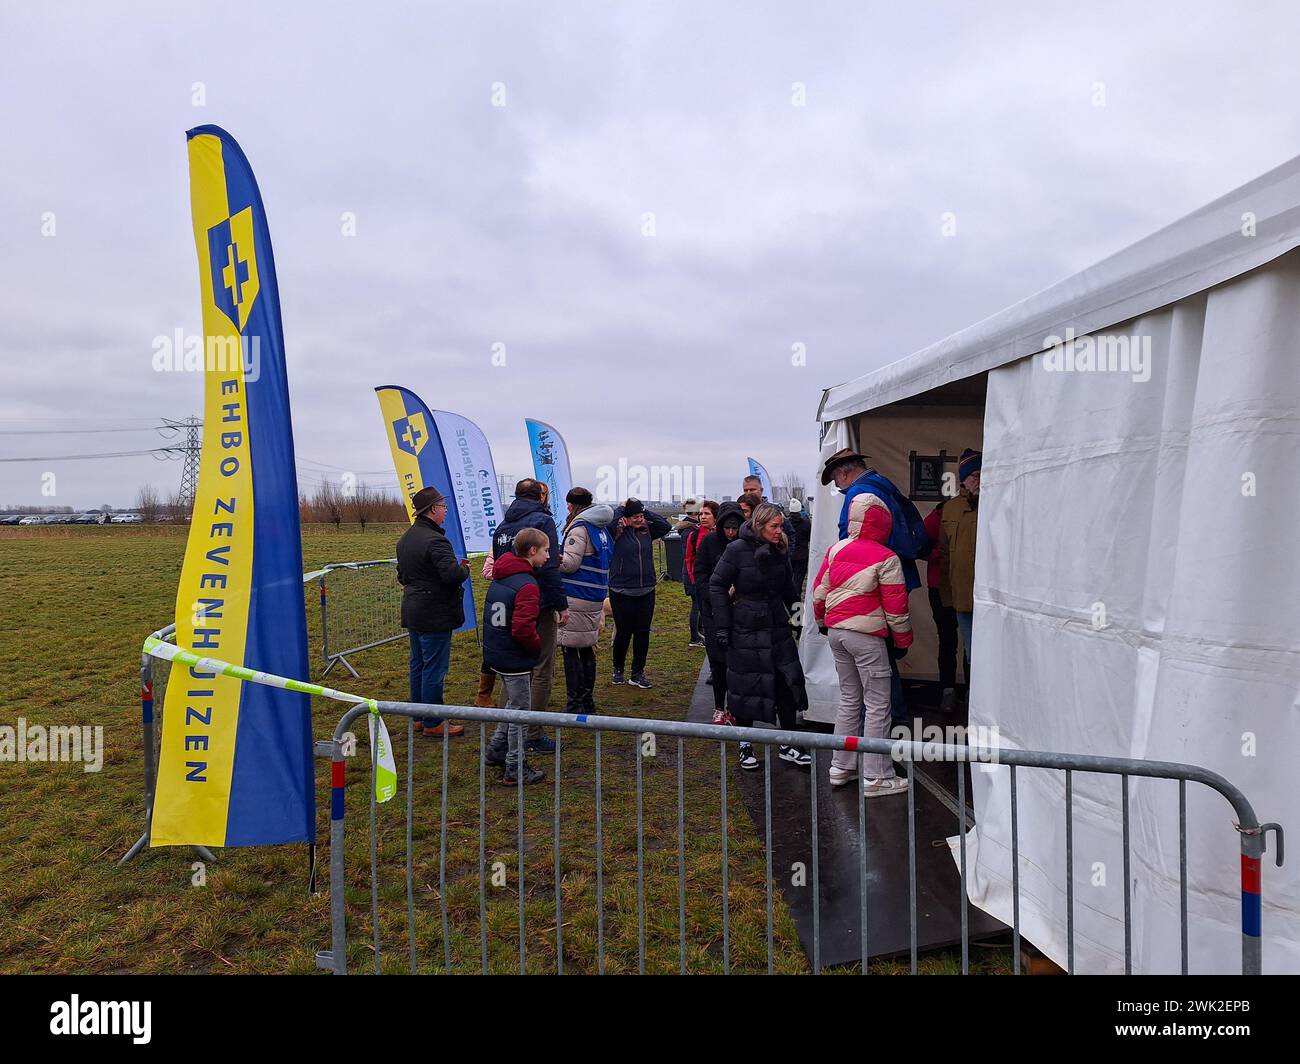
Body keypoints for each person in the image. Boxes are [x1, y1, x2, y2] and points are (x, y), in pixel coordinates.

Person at [812, 490, 913, 797]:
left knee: (849, 700)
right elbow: (896, 608)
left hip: (837, 632)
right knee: (878, 704)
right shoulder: (887, 557)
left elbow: (819, 593)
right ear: (883, 523)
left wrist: (822, 622)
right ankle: (876, 776)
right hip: (867, 637)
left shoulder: (836, 549)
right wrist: (903, 640)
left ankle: (840, 767)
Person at [821, 448, 930, 723]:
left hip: (870, 585)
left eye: (836, 481)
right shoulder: (885, 485)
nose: (839, 488)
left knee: (874, 667)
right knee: (884, 655)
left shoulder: (859, 493)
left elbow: (850, 543)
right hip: (894, 576)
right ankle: (893, 720)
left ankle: (887, 725)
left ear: (843, 473)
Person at [709, 502, 810, 771]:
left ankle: (789, 743)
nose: (779, 531)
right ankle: (745, 744)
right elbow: (716, 584)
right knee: (746, 686)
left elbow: (789, 588)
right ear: (760, 525)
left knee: (787, 682)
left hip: (776, 625)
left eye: (781, 526)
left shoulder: (780, 549)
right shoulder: (736, 550)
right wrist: (723, 624)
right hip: (745, 627)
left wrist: (798, 618)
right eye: (774, 526)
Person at [493, 479, 568, 752]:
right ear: (540, 497)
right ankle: (532, 733)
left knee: (513, 668)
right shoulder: (543, 522)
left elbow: (500, 563)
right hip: (538, 601)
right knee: (541, 669)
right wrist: (561, 604)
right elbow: (550, 568)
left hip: (508, 599)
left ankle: (505, 731)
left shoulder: (503, 526)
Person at [396, 486, 471, 737]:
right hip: (434, 612)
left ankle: (419, 717)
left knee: (418, 665)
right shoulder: (436, 540)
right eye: (443, 507)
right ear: (432, 510)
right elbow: (451, 575)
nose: (446, 511)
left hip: (414, 609)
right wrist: (463, 569)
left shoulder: (406, 539)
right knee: (434, 669)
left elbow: (402, 575)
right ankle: (433, 722)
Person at [482, 527, 548, 785]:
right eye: (546, 550)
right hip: (515, 656)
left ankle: (497, 748)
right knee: (520, 711)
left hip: (497, 651)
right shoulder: (528, 585)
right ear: (532, 551)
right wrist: (536, 647)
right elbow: (522, 629)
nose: (548, 556)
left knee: (512, 704)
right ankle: (515, 766)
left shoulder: (501, 575)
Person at [557, 486, 615, 712]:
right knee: (587, 647)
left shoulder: (579, 528)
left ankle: (575, 703)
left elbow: (570, 564)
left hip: (576, 594)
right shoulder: (600, 528)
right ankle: (587, 700)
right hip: (595, 595)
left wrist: (552, 558)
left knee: (571, 649)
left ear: (572, 505)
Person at [608, 497, 671, 687]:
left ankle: (637, 673)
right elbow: (610, 523)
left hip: (646, 589)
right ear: (626, 518)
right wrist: (621, 508)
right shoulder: (617, 532)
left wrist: (644, 511)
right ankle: (618, 669)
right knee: (623, 632)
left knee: (643, 633)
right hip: (621, 589)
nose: (640, 519)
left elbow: (665, 526)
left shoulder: (647, 530)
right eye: (635, 516)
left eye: (641, 516)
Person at [695, 501, 741, 723]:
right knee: (717, 660)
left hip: (737, 610)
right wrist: (716, 597)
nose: (730, 532)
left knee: (736, 661)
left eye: (735, 528)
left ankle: (733, 706)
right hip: (712, 610)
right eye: (727, 528)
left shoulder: (745, 544)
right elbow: (700, 573)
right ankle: (719, 706)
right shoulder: (709, 542)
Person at [939, 449, 981, 688]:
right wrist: (947, 595)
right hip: (963, 596)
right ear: (963, 478)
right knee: (971, 654)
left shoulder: (999, 503)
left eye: (983, 474)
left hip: (991, 598)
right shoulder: (950, 509)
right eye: (974, 475)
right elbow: (945, 556)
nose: (979, 480)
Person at [923, 501, 959, 713]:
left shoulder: (981, 509)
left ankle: (969, 692)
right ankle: (948, 690)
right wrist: (946, 554)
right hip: (940, 585)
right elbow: (920, 547)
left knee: (973, 643)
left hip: (969, 587)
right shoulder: (938, 515)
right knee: (947, 640)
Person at [678, 498, 709, 647]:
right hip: (692, 573)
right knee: (696, 605)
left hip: (691, 571)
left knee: (699, 603)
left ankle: (700, 631)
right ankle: (694, 637)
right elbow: (691, 554)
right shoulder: (690, 531)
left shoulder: (689, 528)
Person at [786, 498, 810, 598]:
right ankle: (796, 599)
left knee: (788, 579)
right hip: (802, 555)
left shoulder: (786, 523)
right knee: (798, 580)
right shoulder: (806, 523)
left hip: (789, 554)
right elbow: (809, 538)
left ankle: (789, 598)